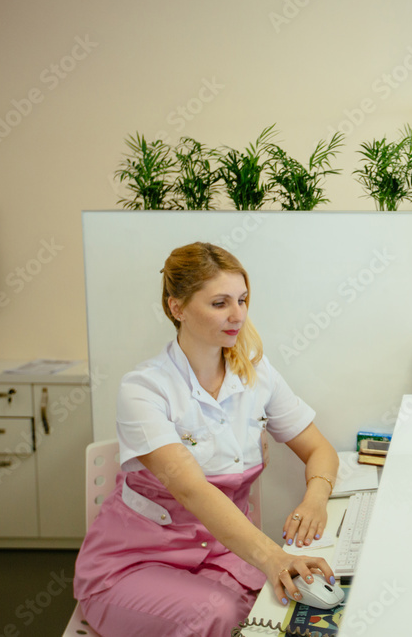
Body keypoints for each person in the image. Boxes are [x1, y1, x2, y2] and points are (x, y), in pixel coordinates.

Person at [74, 242, 339, 636]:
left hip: (222, 555)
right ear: (177, 308)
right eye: (220, 303)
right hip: (135, 562)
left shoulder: (257, 374)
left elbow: (319, 449)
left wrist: (314, 499)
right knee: (217, 614)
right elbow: (192, 490)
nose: (238, 315)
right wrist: (273, 557)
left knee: (277, 610)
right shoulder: (144, 389)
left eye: (242, 300)